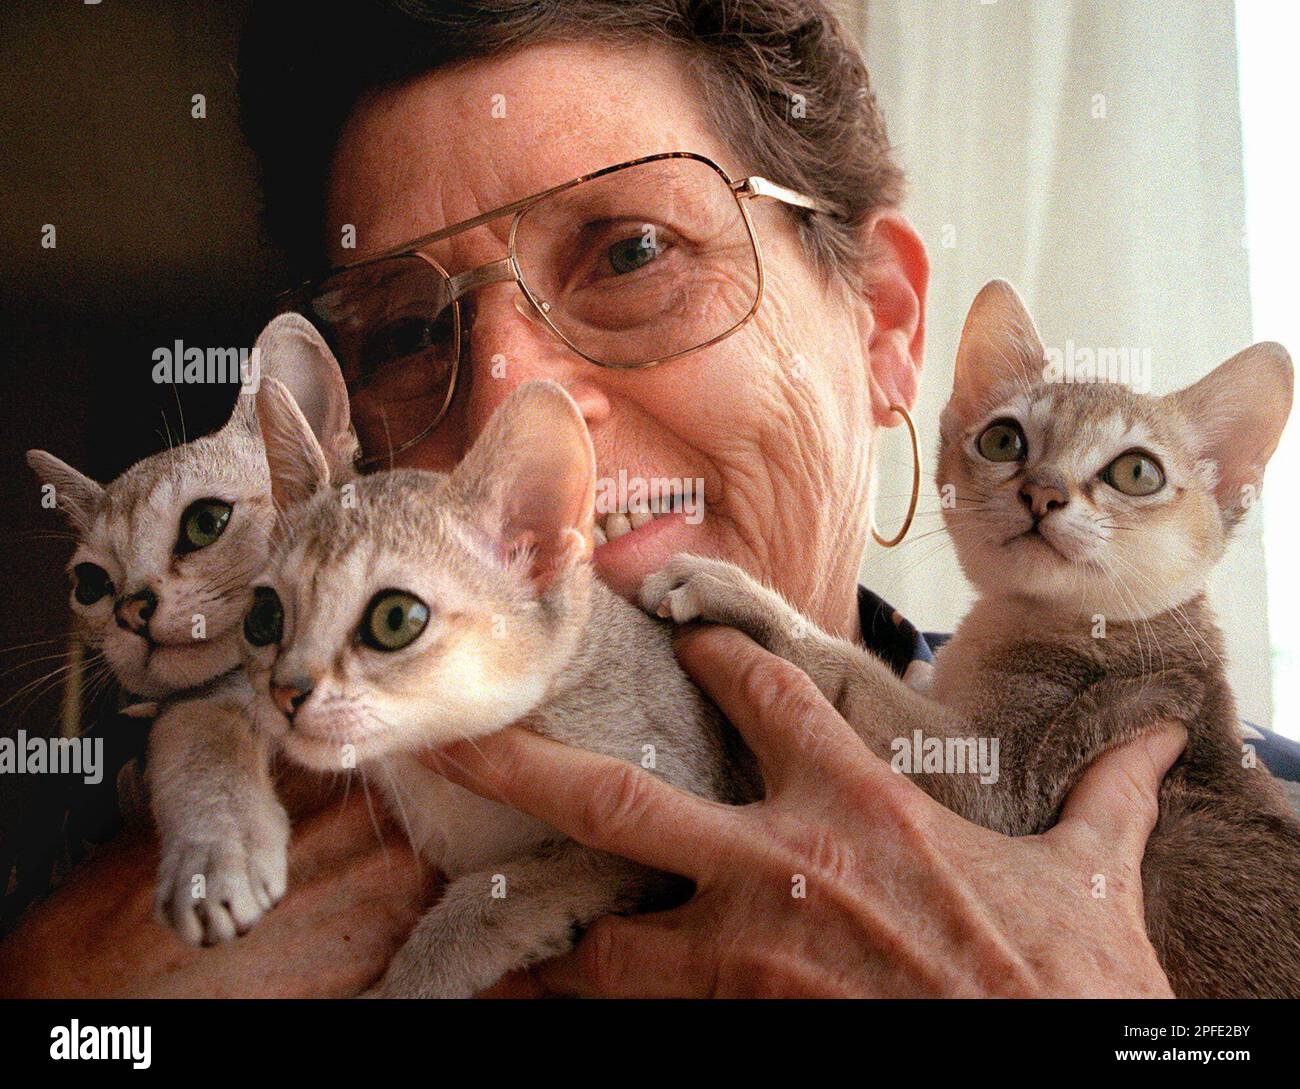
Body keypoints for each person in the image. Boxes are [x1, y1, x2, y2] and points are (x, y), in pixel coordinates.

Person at [3, 0, 1295, 998]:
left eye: (633, 251)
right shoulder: (171, 846)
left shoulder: (1217, 810)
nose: (509, 387)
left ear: (889, 330)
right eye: (407, 330)